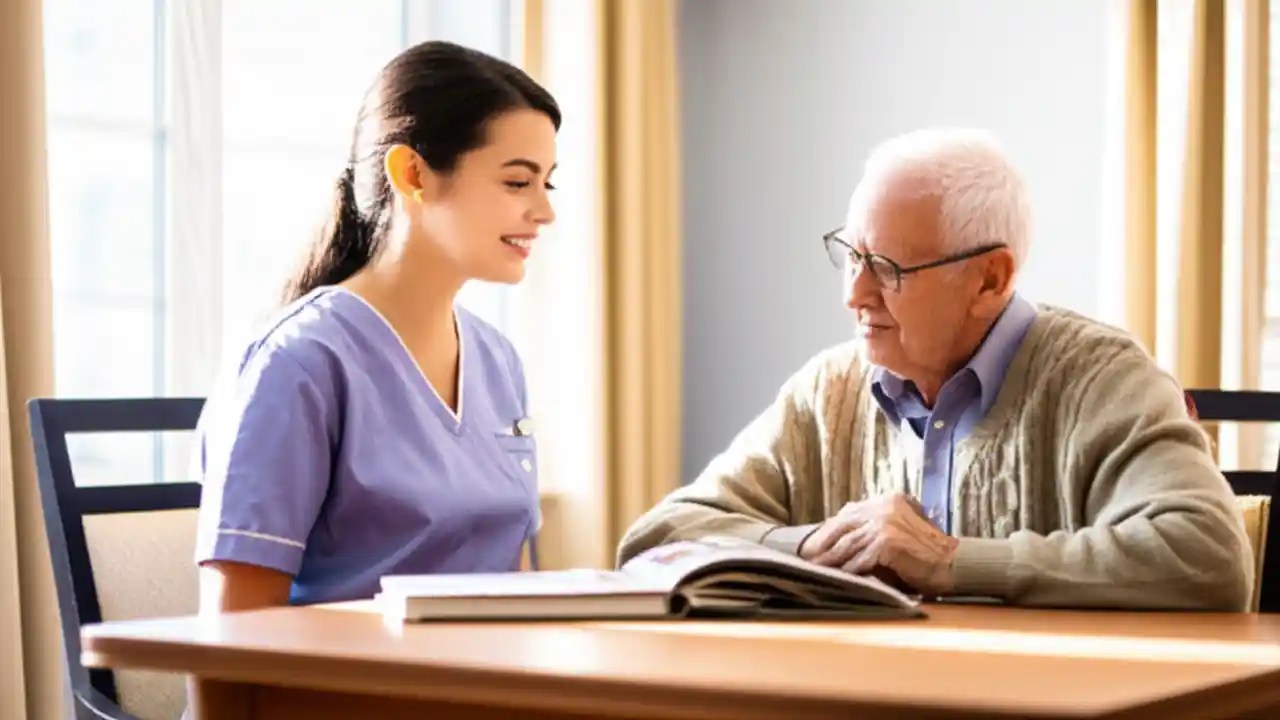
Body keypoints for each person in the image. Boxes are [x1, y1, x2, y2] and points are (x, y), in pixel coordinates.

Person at [618, 128, 1253, 610]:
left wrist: (951, 562)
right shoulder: (827, 390)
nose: (855, 294)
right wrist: (808, 551)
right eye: (851, 256)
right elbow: (656, 539)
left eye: (889, 269)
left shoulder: (1103, 379)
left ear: (990, 278)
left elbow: (1209, 558)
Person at [193, 41, 559, 611]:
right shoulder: (298, 362)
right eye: (517, 182)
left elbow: (501, 589)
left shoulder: (499, 362)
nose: (544, 211)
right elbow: (231, 634)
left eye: (547, 183)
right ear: (413, 173)